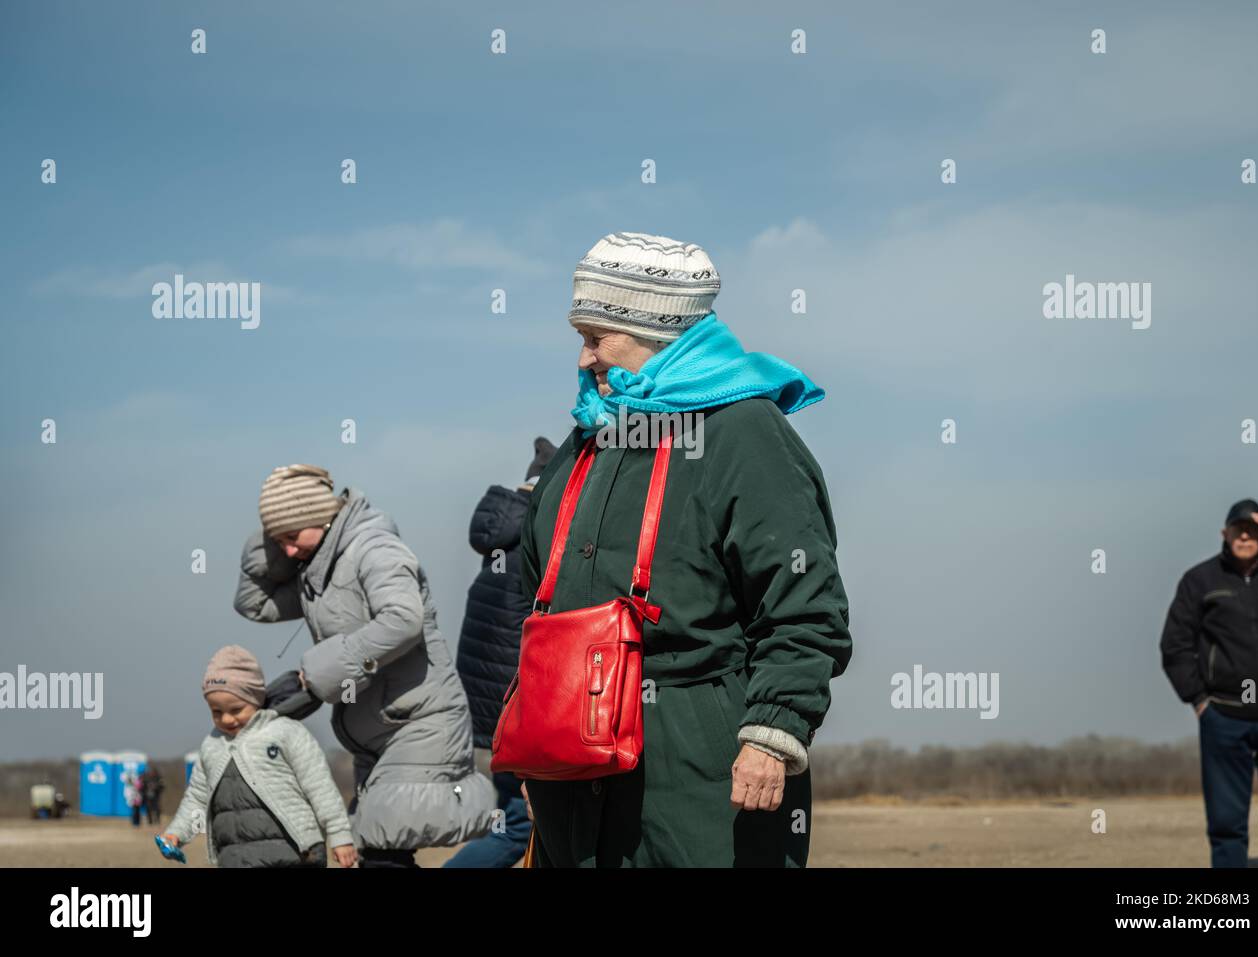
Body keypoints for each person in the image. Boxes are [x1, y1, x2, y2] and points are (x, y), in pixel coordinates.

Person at [514, 231, 853, 867]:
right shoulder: (587, 438)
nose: (584, 359)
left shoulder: (744, 434)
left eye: (596, 337)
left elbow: (804, 605)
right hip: (573, 774)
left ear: (653, 331)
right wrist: (540, 745)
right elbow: (537, 600)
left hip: (702, 767)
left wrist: (773, 734)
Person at [234, 464, 495, 867]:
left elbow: (403, 619)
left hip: (419, 723)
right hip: (377, 732)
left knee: (381, 852)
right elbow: (256, 603)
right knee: (375, 852)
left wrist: (321, 672)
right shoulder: (318, 570)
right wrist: (274, 542)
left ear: (320, 516)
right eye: (278, 540)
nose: (287, 550)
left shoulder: (373, 547)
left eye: (292, 536)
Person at [1160, 498, 1258, 867]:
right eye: (1238, 529)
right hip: (1225, 717)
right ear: (1225, 534)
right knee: (1226, 824)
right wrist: (1199, 700)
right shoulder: (1200, 580)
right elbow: (1175, 645)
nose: (1245, 536)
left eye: (1254, 529)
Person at [444, 436, 556, 868]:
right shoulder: (537, 541)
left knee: (517, 820)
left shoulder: (501, 542)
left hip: (490, 715)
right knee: (521, 826)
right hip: (520, 713)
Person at [158, 645, 356, 868]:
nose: (227, 719)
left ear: (256, 698)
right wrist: (177, 833)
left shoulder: (285, 732)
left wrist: (340, 835)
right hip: (235, 858)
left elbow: (319, 787)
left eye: (236, 709)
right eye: (216, 712)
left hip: (295, 854)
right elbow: (197, 799)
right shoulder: (212, 745)